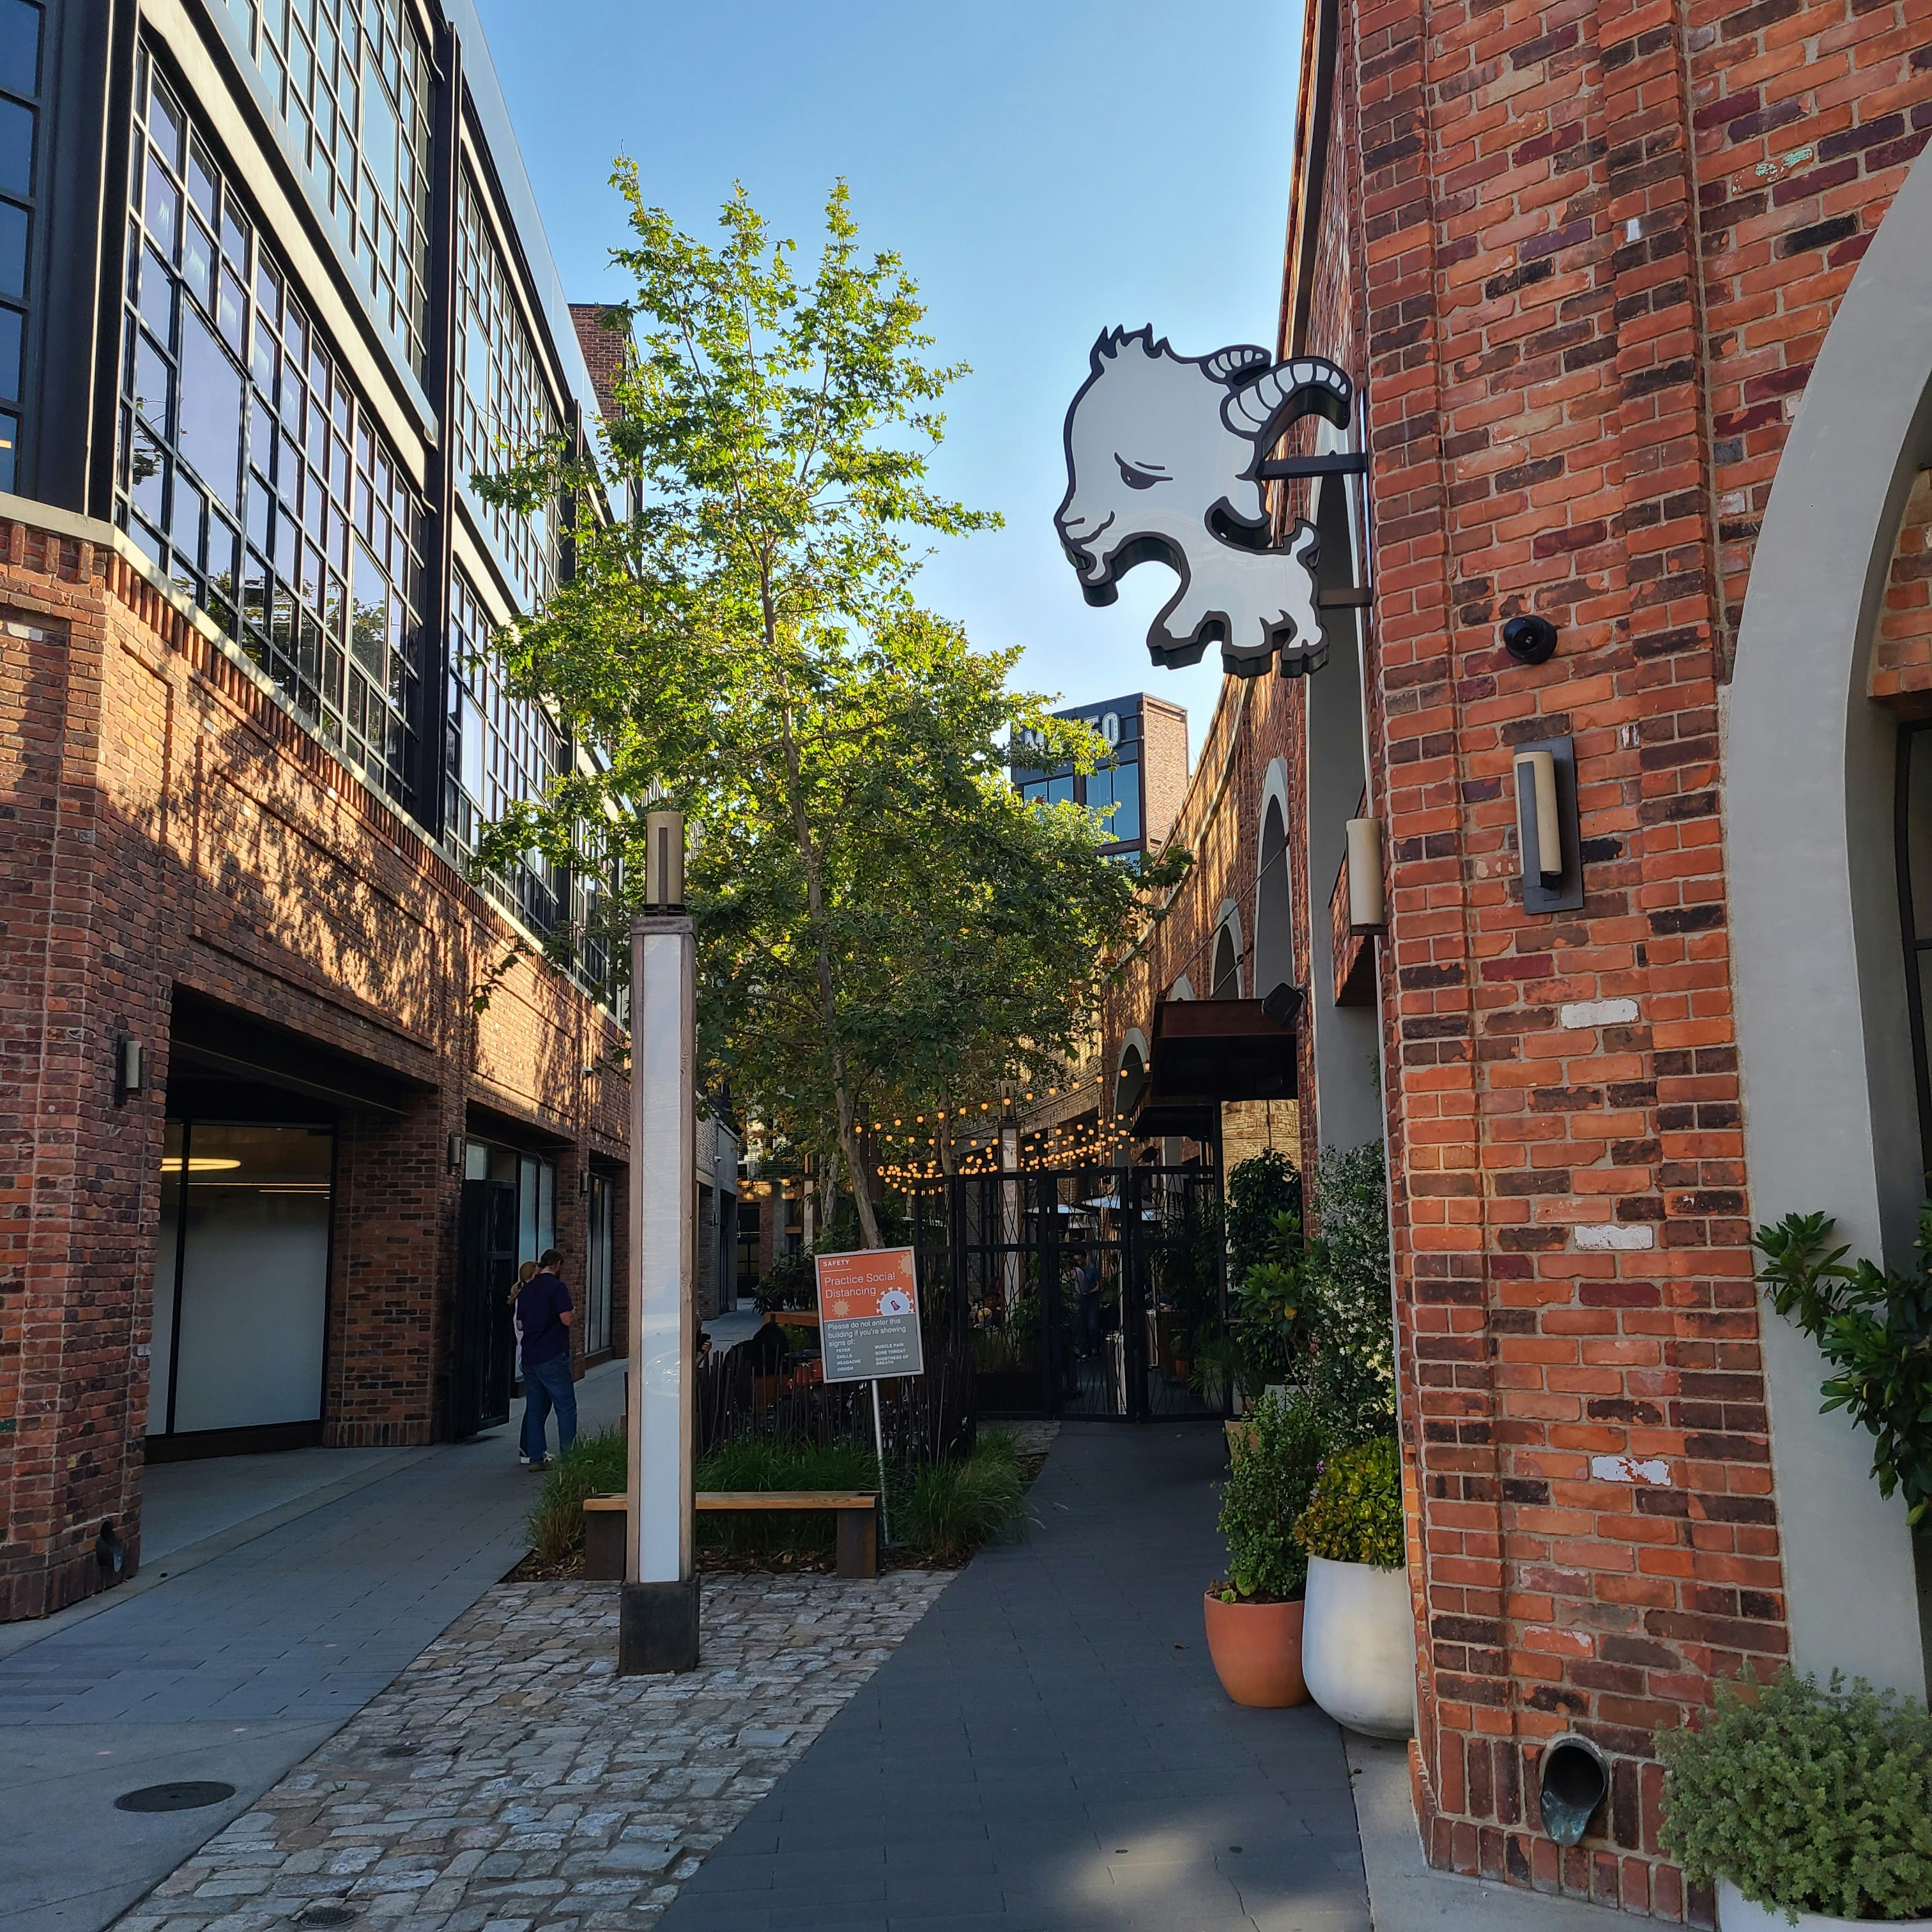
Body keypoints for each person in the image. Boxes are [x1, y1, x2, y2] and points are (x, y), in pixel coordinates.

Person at [516, 1248, 576, 1471]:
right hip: (552, 1354)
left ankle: (536, 1458)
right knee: (566, 1407)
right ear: (558, 1264)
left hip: (530, 1356)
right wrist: (575, 1312)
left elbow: (521, 1325)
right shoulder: (557, 1287)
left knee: (535, 1409)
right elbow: (567, 1319)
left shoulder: (526, 1290)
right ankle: (569, 1459)